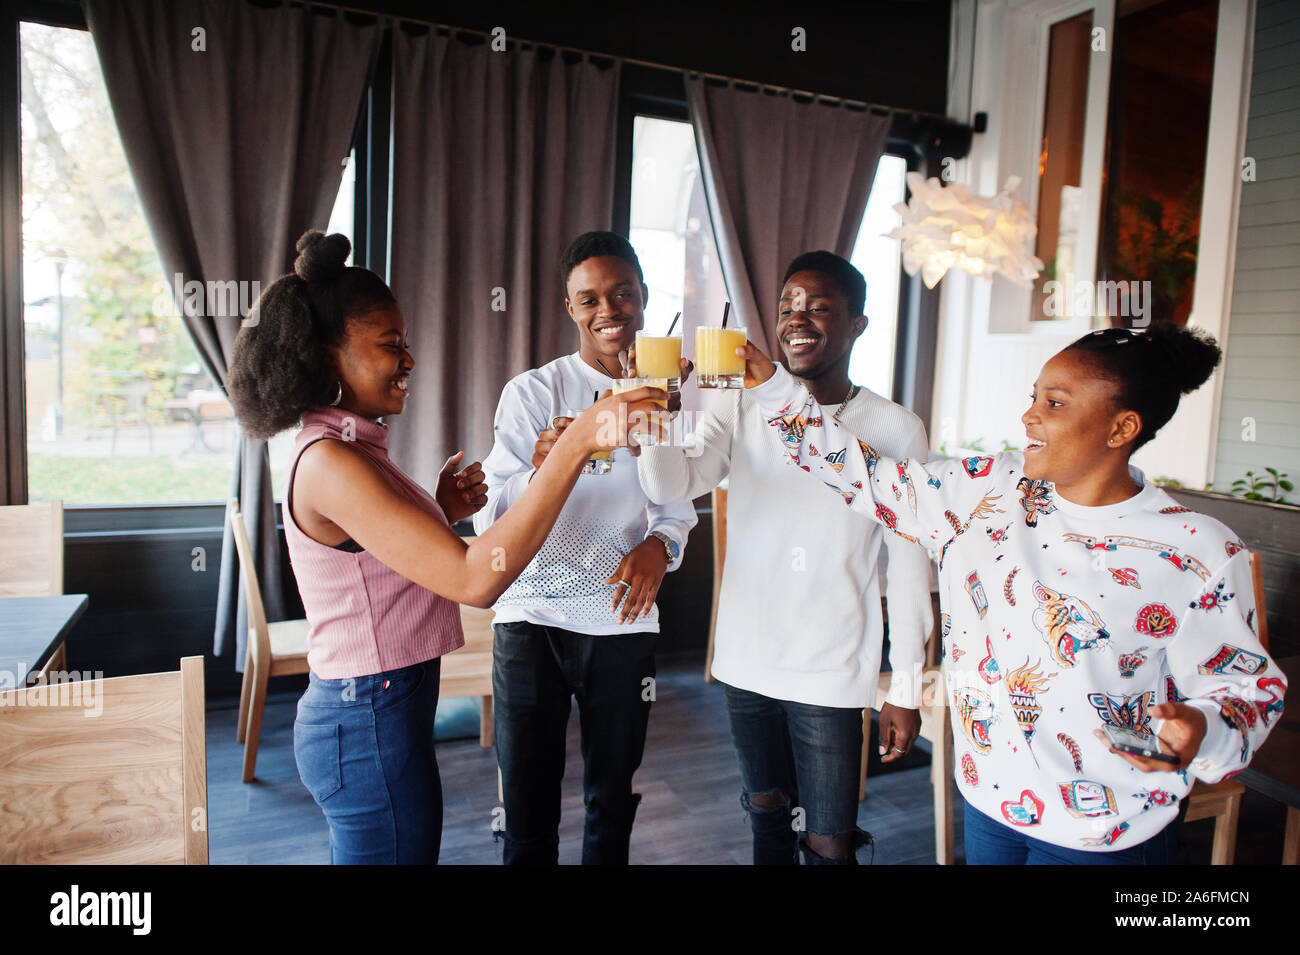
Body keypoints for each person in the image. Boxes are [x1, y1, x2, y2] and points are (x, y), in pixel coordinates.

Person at [738, 322, 1286, 864]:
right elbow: (864, 474)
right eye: (1034, 398)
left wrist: (1203, 728)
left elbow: (1246, 688)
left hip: (1108, 831)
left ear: (1121, 429)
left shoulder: (1197, 550)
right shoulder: (985, 492)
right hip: (991, 802)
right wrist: (773, 385)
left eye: (1055, 404)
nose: (1030, 416)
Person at [226, 230, 664, 865]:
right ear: (327, 357)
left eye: (405, 344)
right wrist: (575, 446)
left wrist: (440, 509)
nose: (408, 361)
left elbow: (384, 547)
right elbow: (473, 581)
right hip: (367, 718)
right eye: (390, 346)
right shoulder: (330, 461)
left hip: (386, 710)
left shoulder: (350, 449)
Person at [636, 251, 933, 865]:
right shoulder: (739, 404)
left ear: (858, 326)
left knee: (829, 841)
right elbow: (672, 486)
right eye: (787, 307)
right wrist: (659, 423)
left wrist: (905, 685)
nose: (797, 319)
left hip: (830, 666)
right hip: (746, 655)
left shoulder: (895, 429)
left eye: (819, 307)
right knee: (766, 818)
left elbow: (909, 569)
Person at [473, 231, 697, 865]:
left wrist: (660, 545)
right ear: (570, 308)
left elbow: (675, 507)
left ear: (644, 299)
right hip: (531, 618)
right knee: (526, 801)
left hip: (621, 616)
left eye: (622, 294)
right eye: (590, 298)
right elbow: (492, 510)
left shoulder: (665, 395)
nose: (609, 311)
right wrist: (546, 464)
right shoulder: (532, 393)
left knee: (612, 796)